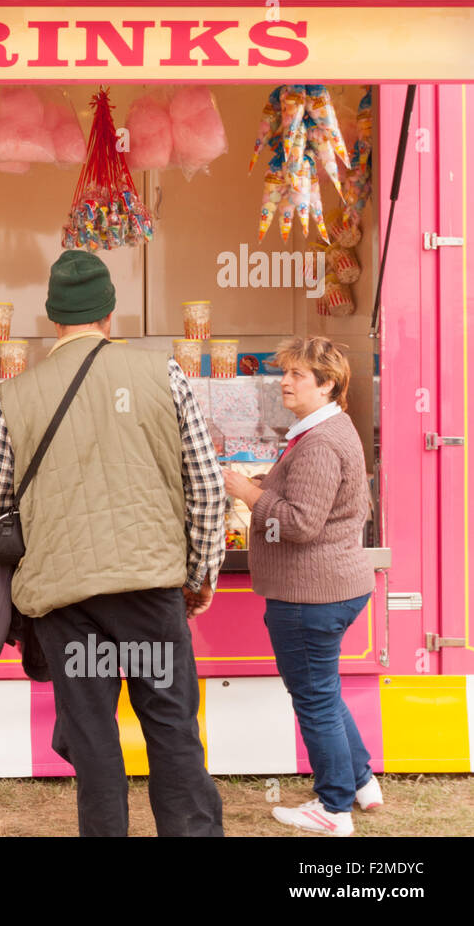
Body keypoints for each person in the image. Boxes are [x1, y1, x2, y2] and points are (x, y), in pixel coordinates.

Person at [0, 249, 226, 837]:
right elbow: (207, 489)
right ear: (110, 313)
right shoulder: (164, 373)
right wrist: (199, 574)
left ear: (53, 316)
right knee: (171, 728)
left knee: (93, 743)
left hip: (66, 602)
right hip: (149, 596)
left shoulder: (14, 395)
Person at [223, 337, 379, 836]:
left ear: (327, 383)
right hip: (333, 585)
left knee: (313, 699)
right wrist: (270, 482)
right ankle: (360, 782)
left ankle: (333, 810)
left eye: (296, 375)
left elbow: (300, 523)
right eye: (283, 372)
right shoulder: (328, 429)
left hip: (310, 594)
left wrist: (248, 491)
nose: (284, 382)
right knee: (324, 693)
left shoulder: (321, 441)